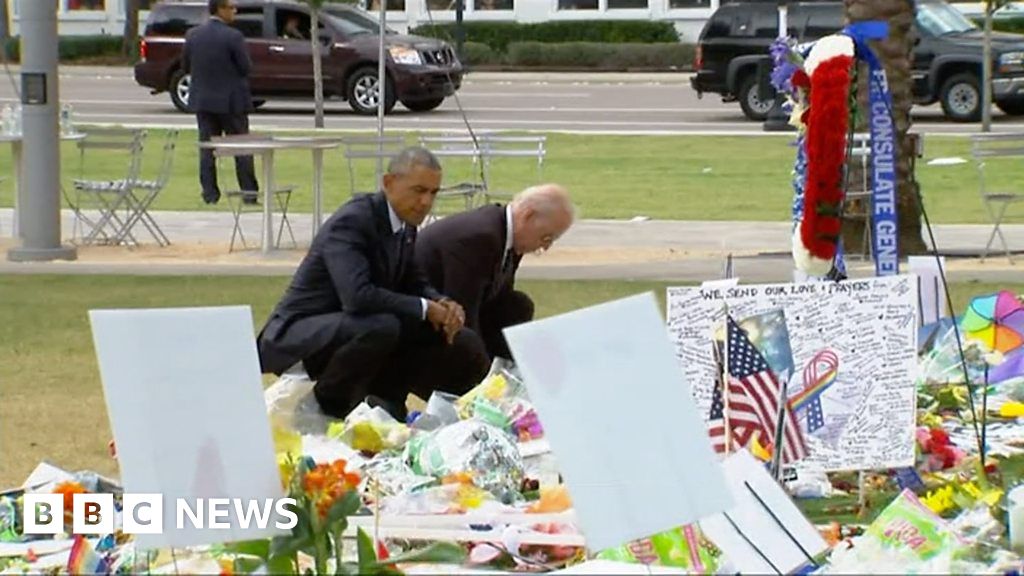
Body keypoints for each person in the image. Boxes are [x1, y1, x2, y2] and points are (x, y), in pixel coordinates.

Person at [256, 147, 490, 421]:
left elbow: (414, 282)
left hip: (355, 325)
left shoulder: (406, 224)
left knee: (455, 338)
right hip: (298, 332)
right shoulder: (353, 221)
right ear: (388, 183)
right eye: (418, 190)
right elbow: (356, 297)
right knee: (383, 326)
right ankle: (326, 411)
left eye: (433, 193)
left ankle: (389, 406)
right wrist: (426, 308)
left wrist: (443, 303)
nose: (426, 201)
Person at [414, 184, 574, 362]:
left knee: (518, 305)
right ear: (527, 215)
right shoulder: (480, 238)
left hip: (462, 307)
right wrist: (482, 367)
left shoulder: (510, 236)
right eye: (546, 237)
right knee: (469, 341)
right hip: (424, 316)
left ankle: (507, 366)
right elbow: (464, 309)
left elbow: (499, 298)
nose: (546, 246)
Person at [182, 0, 259, 205]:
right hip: (232, 102)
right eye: (231, 7)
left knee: (207, 148)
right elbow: (245, 67)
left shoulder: (193, 35)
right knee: (241, 148)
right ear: (220, 9)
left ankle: (209, 193)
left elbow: (185, 65)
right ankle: (249, 193)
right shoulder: (233, 36)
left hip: (204, 101)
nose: (235, 11)